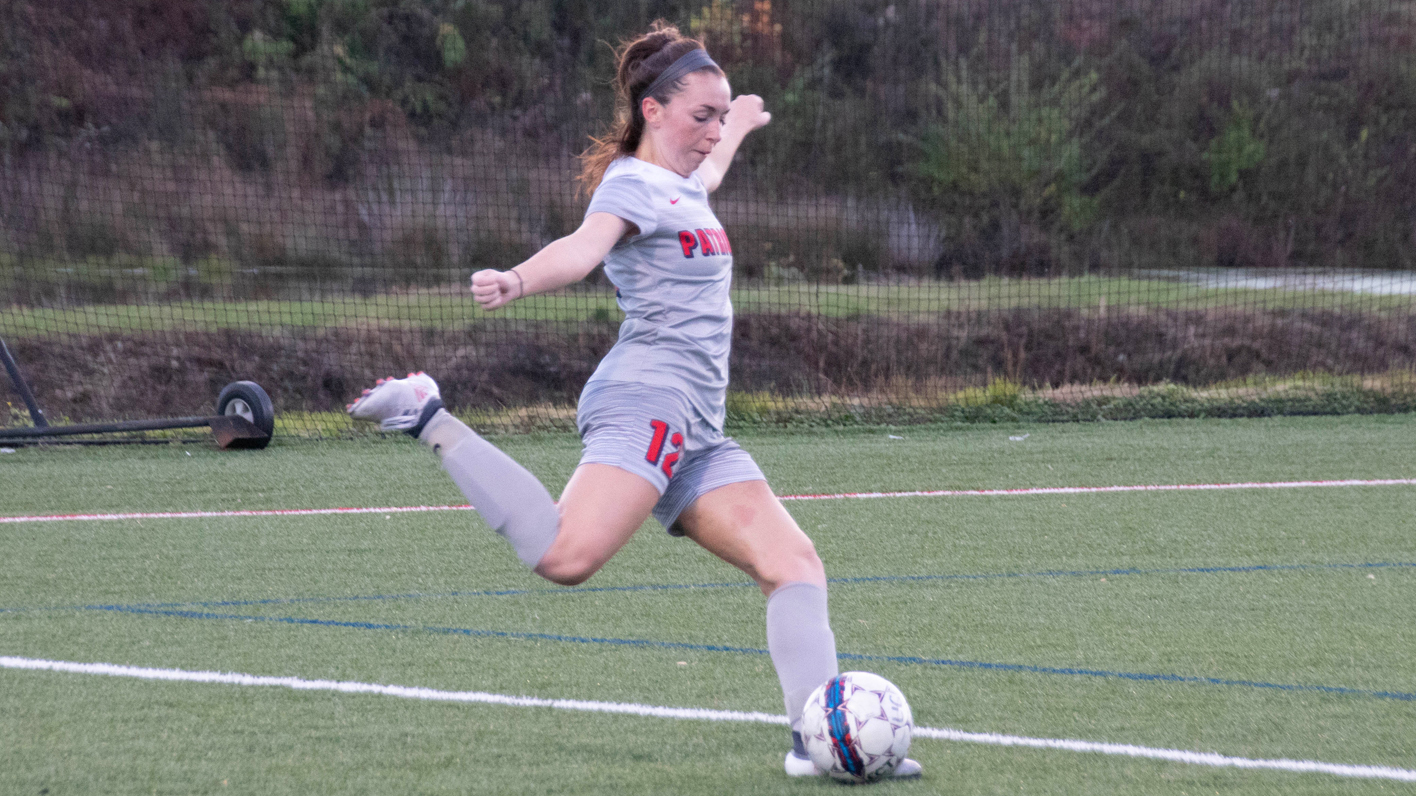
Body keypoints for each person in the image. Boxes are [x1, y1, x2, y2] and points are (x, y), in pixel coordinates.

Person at [348, 22, 920, 779]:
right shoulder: (628, 183)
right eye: (701, 116)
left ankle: (814, 744)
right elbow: (582, 250)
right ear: (653, 111)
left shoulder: (684, 182)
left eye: (719, 117)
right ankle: (425, 411)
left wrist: (740, 124)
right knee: (564, 555)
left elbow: (707, 179)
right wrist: (518, 279)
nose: (711, 132)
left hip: (699, 428)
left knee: (793, 564)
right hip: (645, 399)